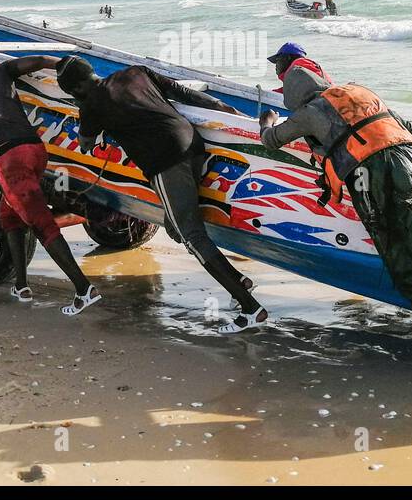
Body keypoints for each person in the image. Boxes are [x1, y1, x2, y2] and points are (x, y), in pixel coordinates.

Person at [259, 64, 412, 378]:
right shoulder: (363, 96)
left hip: (380, 174)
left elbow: (272, 140)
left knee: (409, 268)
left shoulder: (309, 111)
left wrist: (266, 120)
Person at [55, 56, 267, 333]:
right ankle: (239, 281)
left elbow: (85, 143)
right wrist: (228, 111)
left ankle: (251, 309)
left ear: (76, 90)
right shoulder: (135, 72)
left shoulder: (91, 106)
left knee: (191, 236)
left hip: (167, 162)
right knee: (174, 226)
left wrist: (86, 113)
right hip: (193, 144)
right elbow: (183, 93)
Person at [0, 45, 99, 314]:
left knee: (42, 225)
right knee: (9, 216)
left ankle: (84, 290)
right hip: (34, 151)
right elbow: (36, 61)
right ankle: (21, 285)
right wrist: (65, 63)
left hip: (10, 162)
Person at [266, 42, 332, 93]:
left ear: (287, 58)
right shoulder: (297, 80)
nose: (276, 65)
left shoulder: (299, 63)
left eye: (277, 60)